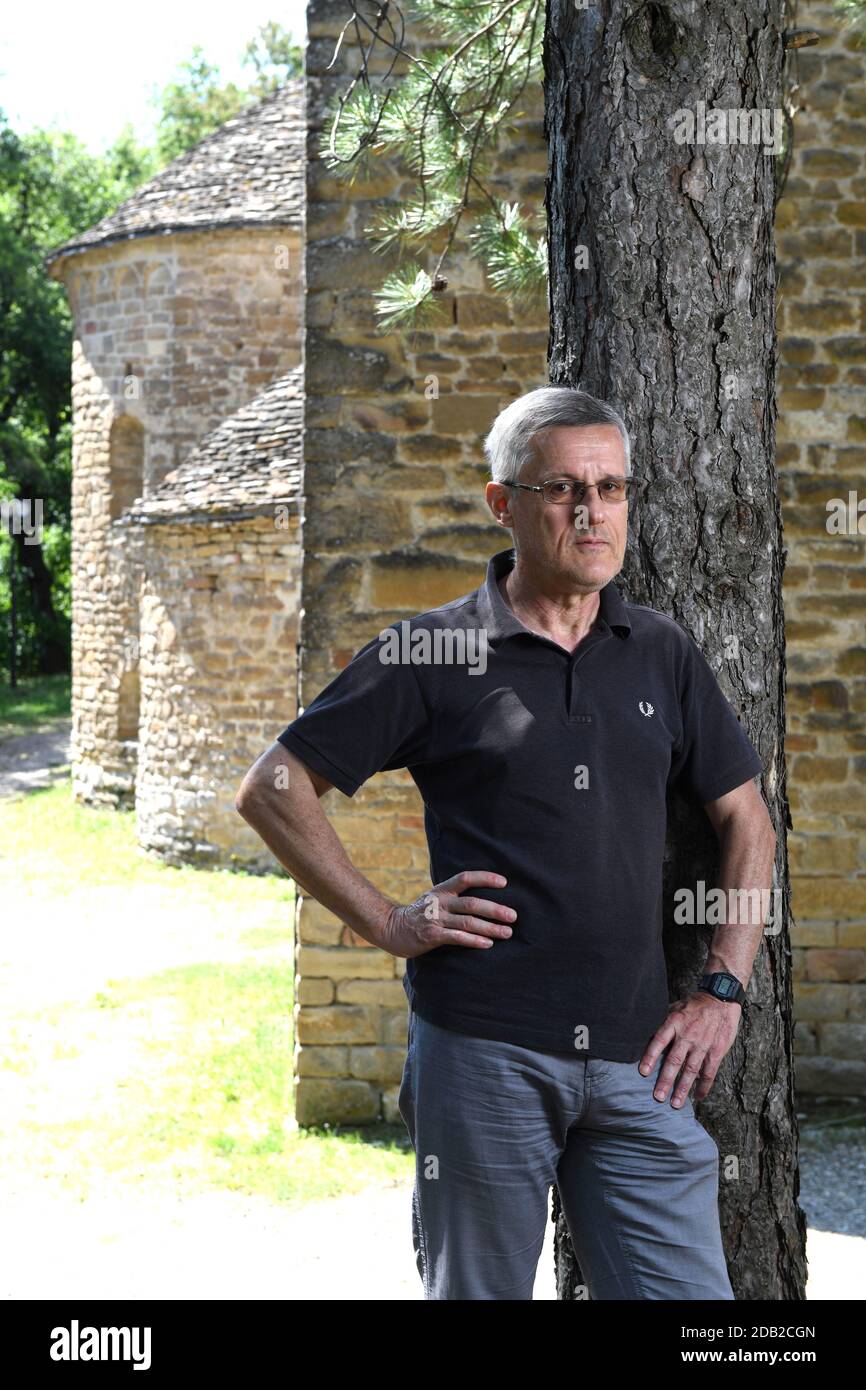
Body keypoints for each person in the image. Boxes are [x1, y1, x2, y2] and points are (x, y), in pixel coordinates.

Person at [235, 386, 777, 1300]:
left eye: (611, 489)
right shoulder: (434, 653)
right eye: (564, 488)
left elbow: (746, 819)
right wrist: (386, 920)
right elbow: (274, 787)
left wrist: (723, 988)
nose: (591, 511)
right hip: (484, 1053)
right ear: (504, 504)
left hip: (643, 1057)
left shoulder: (659, 651)